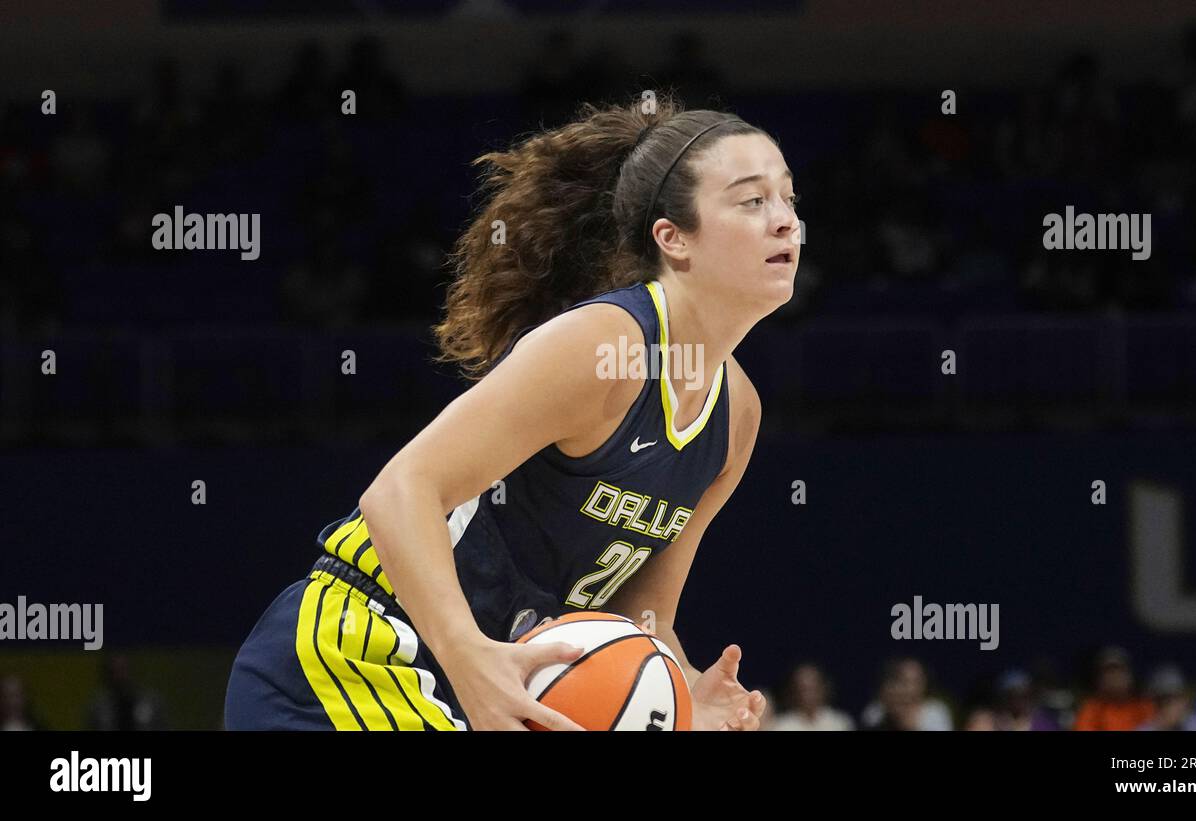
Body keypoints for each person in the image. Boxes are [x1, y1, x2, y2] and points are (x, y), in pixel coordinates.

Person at [225, 92, 800, 731]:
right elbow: (399, 490)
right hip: (357, 649)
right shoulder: (608, 347)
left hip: (478, 681)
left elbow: (642, 620)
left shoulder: (736, 414)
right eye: (753, 201)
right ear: (673, 239)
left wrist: (687, 694)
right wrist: (468, 656)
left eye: (789, 200)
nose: (786, 223)